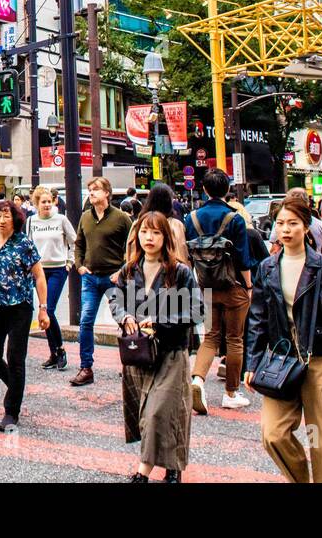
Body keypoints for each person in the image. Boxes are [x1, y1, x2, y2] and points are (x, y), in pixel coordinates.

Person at [246, 193, 322, 483]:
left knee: (320, 438)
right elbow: (257, 319)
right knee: (273, 434)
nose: (285, 229)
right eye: (280, 223)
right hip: (281, 362)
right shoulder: (266, 268)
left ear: (306, 227)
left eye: (293, 223)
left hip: (320, 363)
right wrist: (252, 363)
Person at [107, 211, 202, 483]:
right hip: (138, 353)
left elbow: (196, 309)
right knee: (150, 415)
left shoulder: (180, 271)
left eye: (156, 232)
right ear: (137, 235)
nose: (149, 237)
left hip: (171, 352)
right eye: (145, 231)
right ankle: (173, 469)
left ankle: (143, 472)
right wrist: (124, 317)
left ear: (166, 237)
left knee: (161, 412)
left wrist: (159, 321)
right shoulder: (130, 269)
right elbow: (116, 300)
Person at [185, 168, 252, 414]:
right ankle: (230, 393)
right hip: (233, 286)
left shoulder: (190, 218)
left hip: (207, 287)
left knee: (211, 336)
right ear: (227, 191)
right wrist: (249, 286)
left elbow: (188, 257)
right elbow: (243, 259)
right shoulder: (234, 219)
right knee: (235, 339)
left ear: (203, 189)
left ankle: (197, 380)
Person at [0, 199, 48, 432]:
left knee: (16, 357)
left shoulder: (23, 243)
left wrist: (43, 307)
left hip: (20, 307)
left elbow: (38, 276)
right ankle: (15, 386)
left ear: (15, 218)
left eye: (6, 216)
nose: (1, 220)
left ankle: (11, 412)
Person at [71, 176, 133, 387]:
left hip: (114, 277)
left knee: (124, 321)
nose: (92, 193)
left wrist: (123, 270)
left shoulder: (122, 218)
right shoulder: (85, 217)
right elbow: (79, 243)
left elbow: (133, 247)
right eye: (90, 189)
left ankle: (131, 365)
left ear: (107, 193)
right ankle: (86, 367)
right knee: (86, 321)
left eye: (96, 189)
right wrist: (79, 265)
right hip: (90, 277)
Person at [27, 187, 76, 371]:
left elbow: (74, 242)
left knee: (49, 309)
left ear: (54, 202)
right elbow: (28, 245)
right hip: (38, 270)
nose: (47, 205)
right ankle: (53, 353)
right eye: (43, 202)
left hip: (57, 269)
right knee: (44, 311)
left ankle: (60, 349)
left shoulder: (61, 220)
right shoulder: (31, 221)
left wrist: (70, 263)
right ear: (37, 204)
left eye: (49, 201)